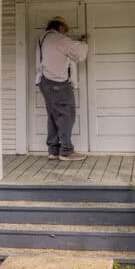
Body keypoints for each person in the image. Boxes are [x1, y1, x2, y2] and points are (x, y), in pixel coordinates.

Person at [36, 16, 88, 161]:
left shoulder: (43, 38)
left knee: (53, 116)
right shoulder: (59, 39)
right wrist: (83, 43)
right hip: (57, 83)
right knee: (66, 114)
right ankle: (66, 151)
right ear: (59, 27)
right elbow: (80, 54)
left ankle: (53, 150)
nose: (65, 33)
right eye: (64, 30)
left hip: (44, 81)